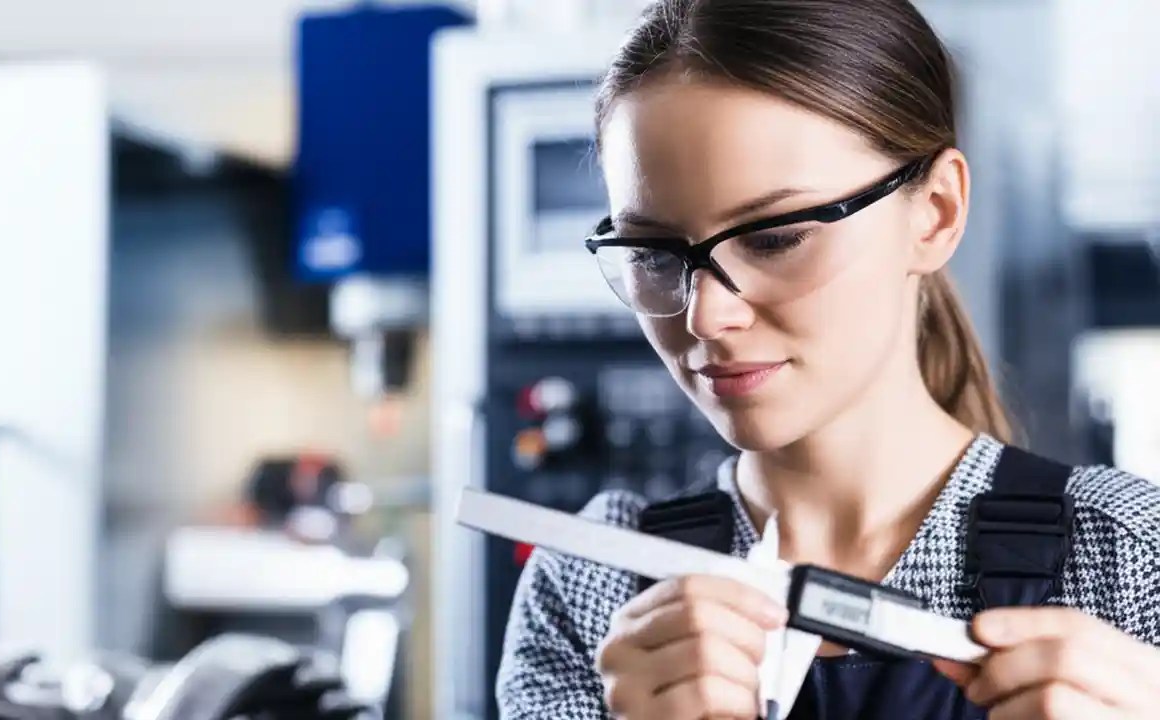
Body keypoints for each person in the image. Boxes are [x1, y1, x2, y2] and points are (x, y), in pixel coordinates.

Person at [495, 1, 1160, 718]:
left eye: (775, 238)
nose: (706, 315)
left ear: (936, 210)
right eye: (654, 255)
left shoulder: (1126, 560)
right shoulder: (595, 583)